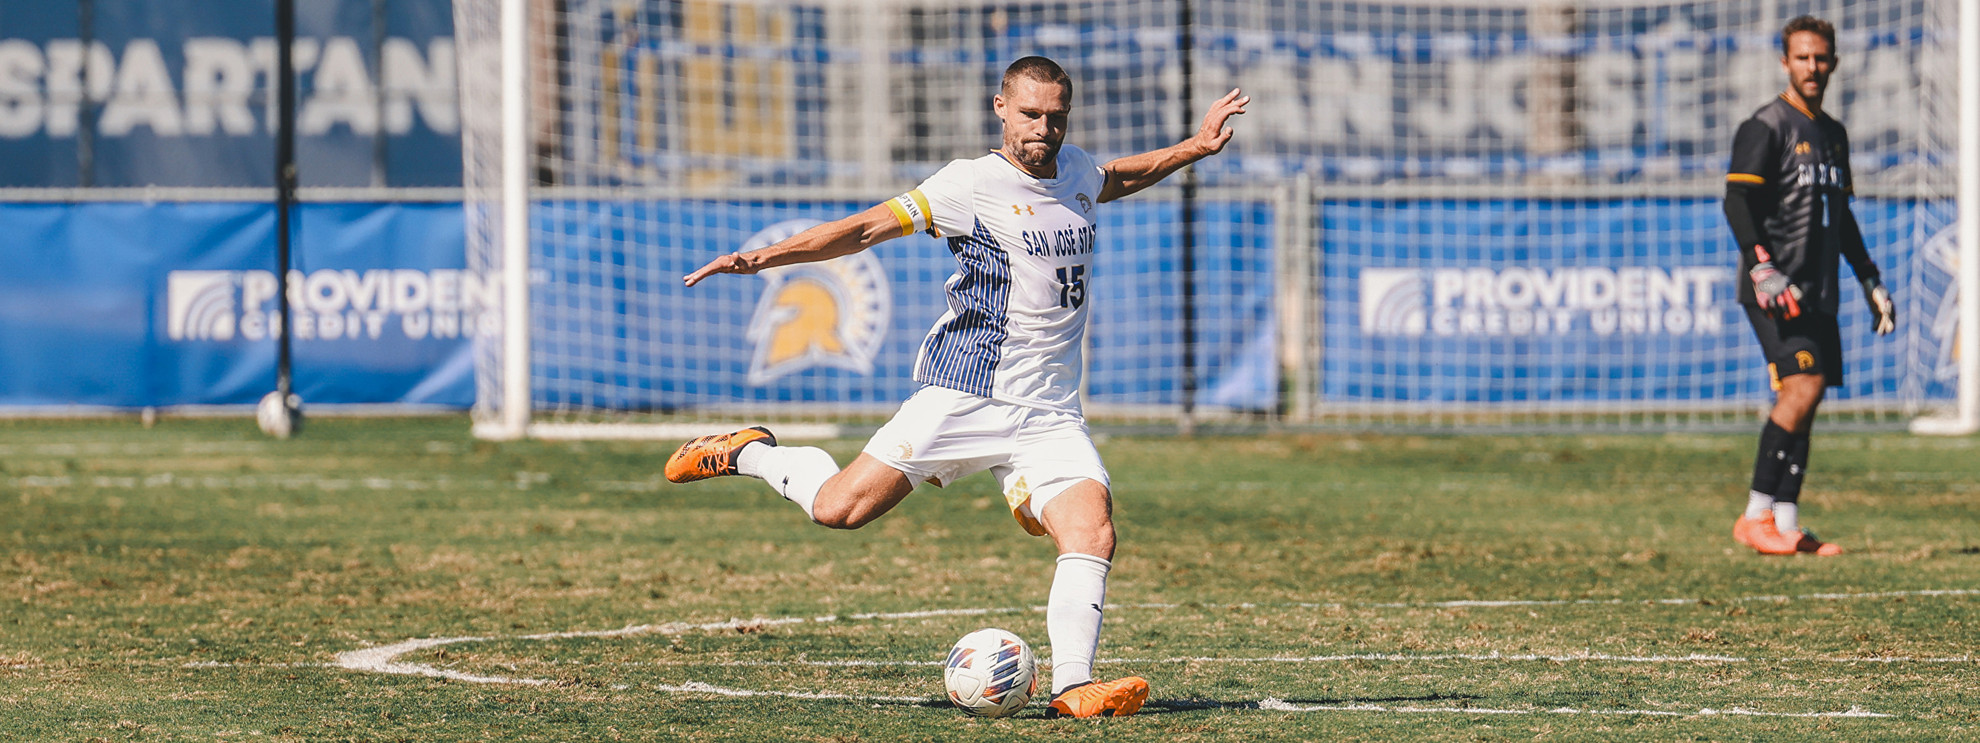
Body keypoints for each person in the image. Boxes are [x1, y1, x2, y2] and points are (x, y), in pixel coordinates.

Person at [664, 56, 1247, 717]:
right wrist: (764, 258)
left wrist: (1196, 147)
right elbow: (863, 228)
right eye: (1031, 114)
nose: (1044, 130)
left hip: (1050, 409)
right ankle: (749, 451)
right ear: (1000, 107)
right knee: (839, 509)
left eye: (1057, 117)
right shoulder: (968, 185)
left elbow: (1117, 177)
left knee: (1094, 532)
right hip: (966, 392)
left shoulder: (1078, 169)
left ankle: (1072, 686)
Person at [1723, 16, 1896, 556]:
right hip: (1774, 288)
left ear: (1835, 62)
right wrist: (1761, 266)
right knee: (1800, 387)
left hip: (1819, 291)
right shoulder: (1766, 125)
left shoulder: (1834, 135)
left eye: (1820, 57)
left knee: (1811, 396)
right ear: (1785, 62)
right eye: (1802, 57)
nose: (1812, 67)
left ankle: (1787, 523)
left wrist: (1870, 279)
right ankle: (1755, 517)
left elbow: (1840, 219)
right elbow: (1737, 201)